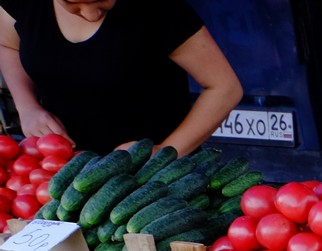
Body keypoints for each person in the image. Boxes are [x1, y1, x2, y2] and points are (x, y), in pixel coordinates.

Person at [0, 0, 242, 156]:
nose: (90, 13)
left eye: (101, 0)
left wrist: (164, 152)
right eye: (71, 3)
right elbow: (7, 44)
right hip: (62, 176)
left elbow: (224, 88)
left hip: (152, 183)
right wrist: (26, 106)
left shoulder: (159, 7)